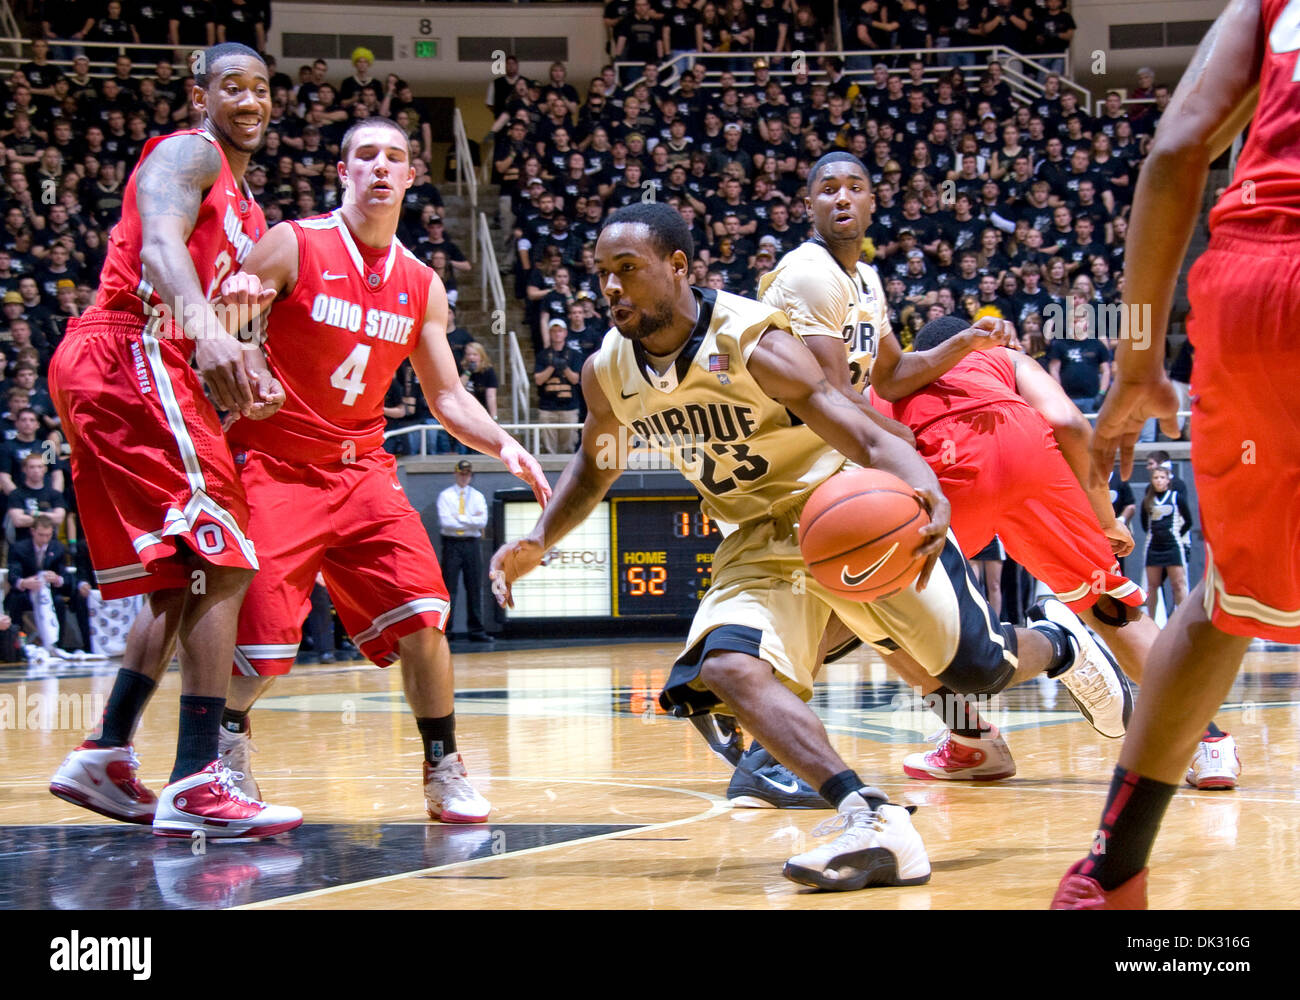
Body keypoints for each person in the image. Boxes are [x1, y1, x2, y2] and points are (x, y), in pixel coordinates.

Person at [491, 202, 1130, 892]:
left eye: (627, 269)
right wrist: (539, 537)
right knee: (728, 666)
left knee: (978, 670)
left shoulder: (751, 343)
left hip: (846, 509)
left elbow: (862, 429)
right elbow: (597, 464)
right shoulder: (607, 370)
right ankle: (870, 816)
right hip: (757, 538)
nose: (611, 287)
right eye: (601, 274)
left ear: (677, 267)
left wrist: (924, 487)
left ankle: (1059, 642)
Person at [127, 118, 550, 823]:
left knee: (425, 618)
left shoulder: (422, 283)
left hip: (364, 472)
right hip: (276, 465)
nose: (380, 167)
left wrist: (503, 444)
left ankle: (443, 768)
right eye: (366, 156)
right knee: (262, 649)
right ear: (342, 171)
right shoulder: (294, 242)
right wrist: (246, 362)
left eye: (395, 157)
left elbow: (447, 395)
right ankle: (223, 752)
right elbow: (219, 328)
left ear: (411, 177)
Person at [46, 43, 303, 840]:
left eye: (261, 89)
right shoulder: (188, 154)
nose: (250, 101)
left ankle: (105, 752)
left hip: (145, 361)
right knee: (225, 555)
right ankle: (197, 778)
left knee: (181, 574)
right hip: (129, 347)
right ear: (201, 96)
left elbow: (225, 323)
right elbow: (159, 249)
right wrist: (209, 335)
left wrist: (247, 364)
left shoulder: (250, 212)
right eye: (233, 87)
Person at [1053, 0, 1278, 908]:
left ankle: (1109, 874)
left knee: (1225, 596)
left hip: (1253, 285)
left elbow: (1177, 150)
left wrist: (1139, 360)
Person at [438, 459, 491, 643]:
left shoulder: (477, 496)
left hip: (471, 544)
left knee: (474, 587)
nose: (464, 477)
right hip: (451, 544)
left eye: (467, 474)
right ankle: (447, 630)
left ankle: (476, 630)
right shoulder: (445, 496)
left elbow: (482, 522)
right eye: (461, 474)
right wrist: (470, 519)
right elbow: (446, 523)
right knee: (449, 588)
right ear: (455, 474)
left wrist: (458, 518)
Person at [1140, 465, 1193, 622]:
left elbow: (1189, 521)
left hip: (1173, 546)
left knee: (1178, 585)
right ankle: (1151, 621)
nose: (1159, 480)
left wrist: (1175, 534)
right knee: (1152, 586)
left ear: (1168, 480)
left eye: (1162, 477)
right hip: (1153, 547)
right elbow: (1144, 524)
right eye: (1156, 477)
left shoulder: (1176, 498)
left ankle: (1182, 621)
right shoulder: (1148, 500)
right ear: (1151, 480)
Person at [534, 317, 582, 453]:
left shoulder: (574, 355)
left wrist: (564, 366)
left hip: (569, 407)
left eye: (560, 331)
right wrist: (551, 366)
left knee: (569, 446)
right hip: (547, 407)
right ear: (549, 333)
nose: (557, 334)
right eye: (554, 331)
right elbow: (538, 380)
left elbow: (575, 379)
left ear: (565, 333)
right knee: (548, 448)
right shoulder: (542, 356)